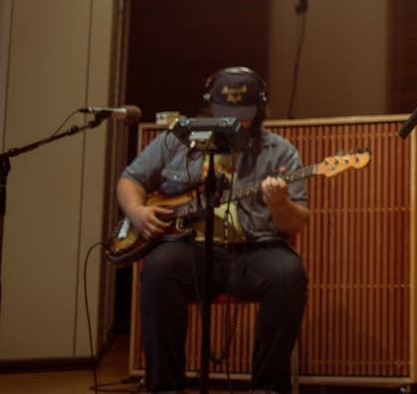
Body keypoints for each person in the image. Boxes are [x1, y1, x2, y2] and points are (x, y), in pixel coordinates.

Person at [117, 67, 309, 394]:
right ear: (211, 108)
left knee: (288, 274)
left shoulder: (280, 152)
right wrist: (136, 211)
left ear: (260, 111)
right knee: (159, 268)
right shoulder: (176, 140)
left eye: (245, 116)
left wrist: (279, 203)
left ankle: (268, 389)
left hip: (254, 251)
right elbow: (130, 180)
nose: (236, 123)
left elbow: (296, 223)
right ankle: (165, 387)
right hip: (190, 247)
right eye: (227, 115)